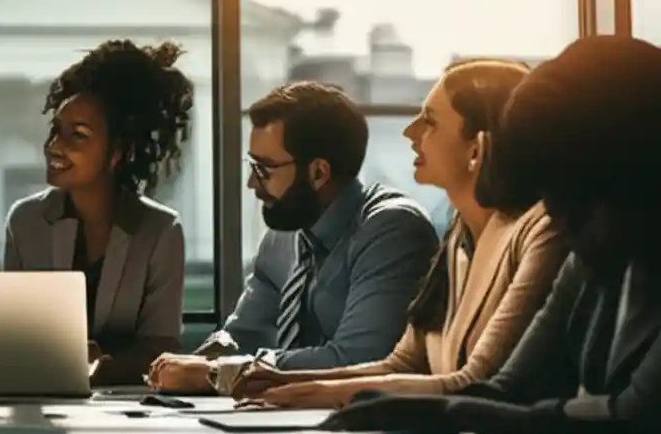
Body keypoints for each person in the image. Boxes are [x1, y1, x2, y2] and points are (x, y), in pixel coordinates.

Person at [319, 36, 661, 434]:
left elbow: (633, 423)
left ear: (635, 173)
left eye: (573, 196)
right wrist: (416, 411)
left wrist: (453, 410)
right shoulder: (588, 256)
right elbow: (510, 389)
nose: (558, 220)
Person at [229, 60, 567, 408]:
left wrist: (315, 393)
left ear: (476, 149)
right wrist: (281, 382)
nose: (411, 132)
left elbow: (478, 384)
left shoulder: (538, 232)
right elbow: (404, 363)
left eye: (430, 122)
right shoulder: (458, 234)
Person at [148, 82, 438, 394]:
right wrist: (199, 361)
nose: (251, 183)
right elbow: (244, 335)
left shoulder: (391, 231)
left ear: (318, 173)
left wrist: (218, 373)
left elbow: (358, 360)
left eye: (264, 169)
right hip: (282, 417)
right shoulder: (283, 236)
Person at [5, 40, 192, 385]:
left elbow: (161, 349)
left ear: (118, 151)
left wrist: (99, 366)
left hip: (128, 406)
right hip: (38, 397)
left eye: (77, 136)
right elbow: (14, 332)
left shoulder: (161, 231)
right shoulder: (26, 221)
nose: (54, 147)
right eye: (55, 132)